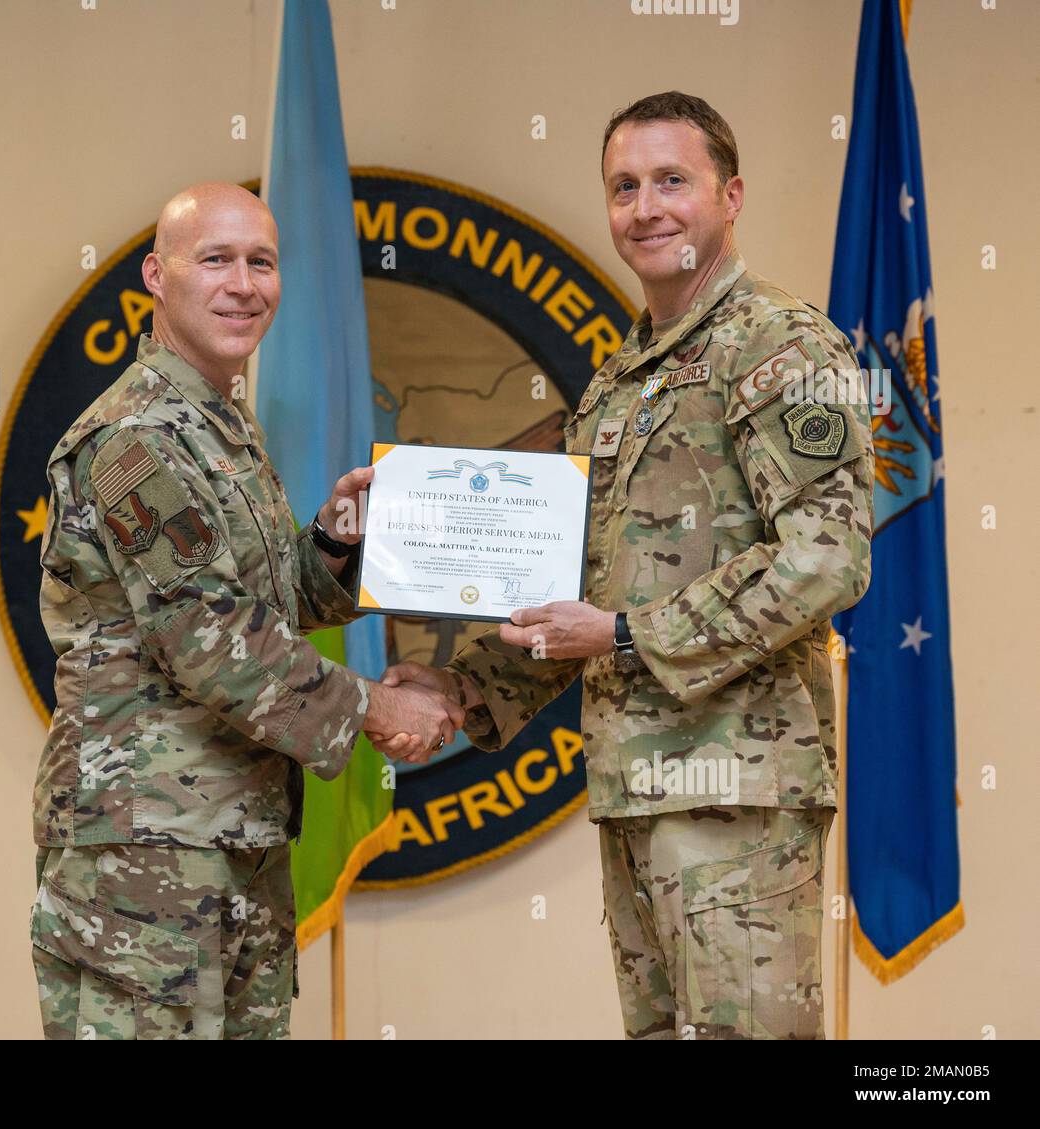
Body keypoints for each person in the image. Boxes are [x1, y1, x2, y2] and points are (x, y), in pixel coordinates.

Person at [374, 92, 875, 1040]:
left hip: (738, 793)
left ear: (730, 196)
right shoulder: (618, 382)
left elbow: (828, 557)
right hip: (637, 787)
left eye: (671, 181)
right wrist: (464, 686)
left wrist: (633, 634)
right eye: (624, 186)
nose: (645, 207)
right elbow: (591, 591)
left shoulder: (777, 344)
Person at [29, 182, 462, 1040]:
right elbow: (213, 640)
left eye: (261, 262)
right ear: (157, 275)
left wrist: (336, 538)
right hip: (147, 853)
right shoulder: (136, 439)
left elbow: (260, 603)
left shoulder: (223, 424)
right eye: (215, 259)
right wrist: (381, 706)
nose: (243, 283)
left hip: (233, 836)